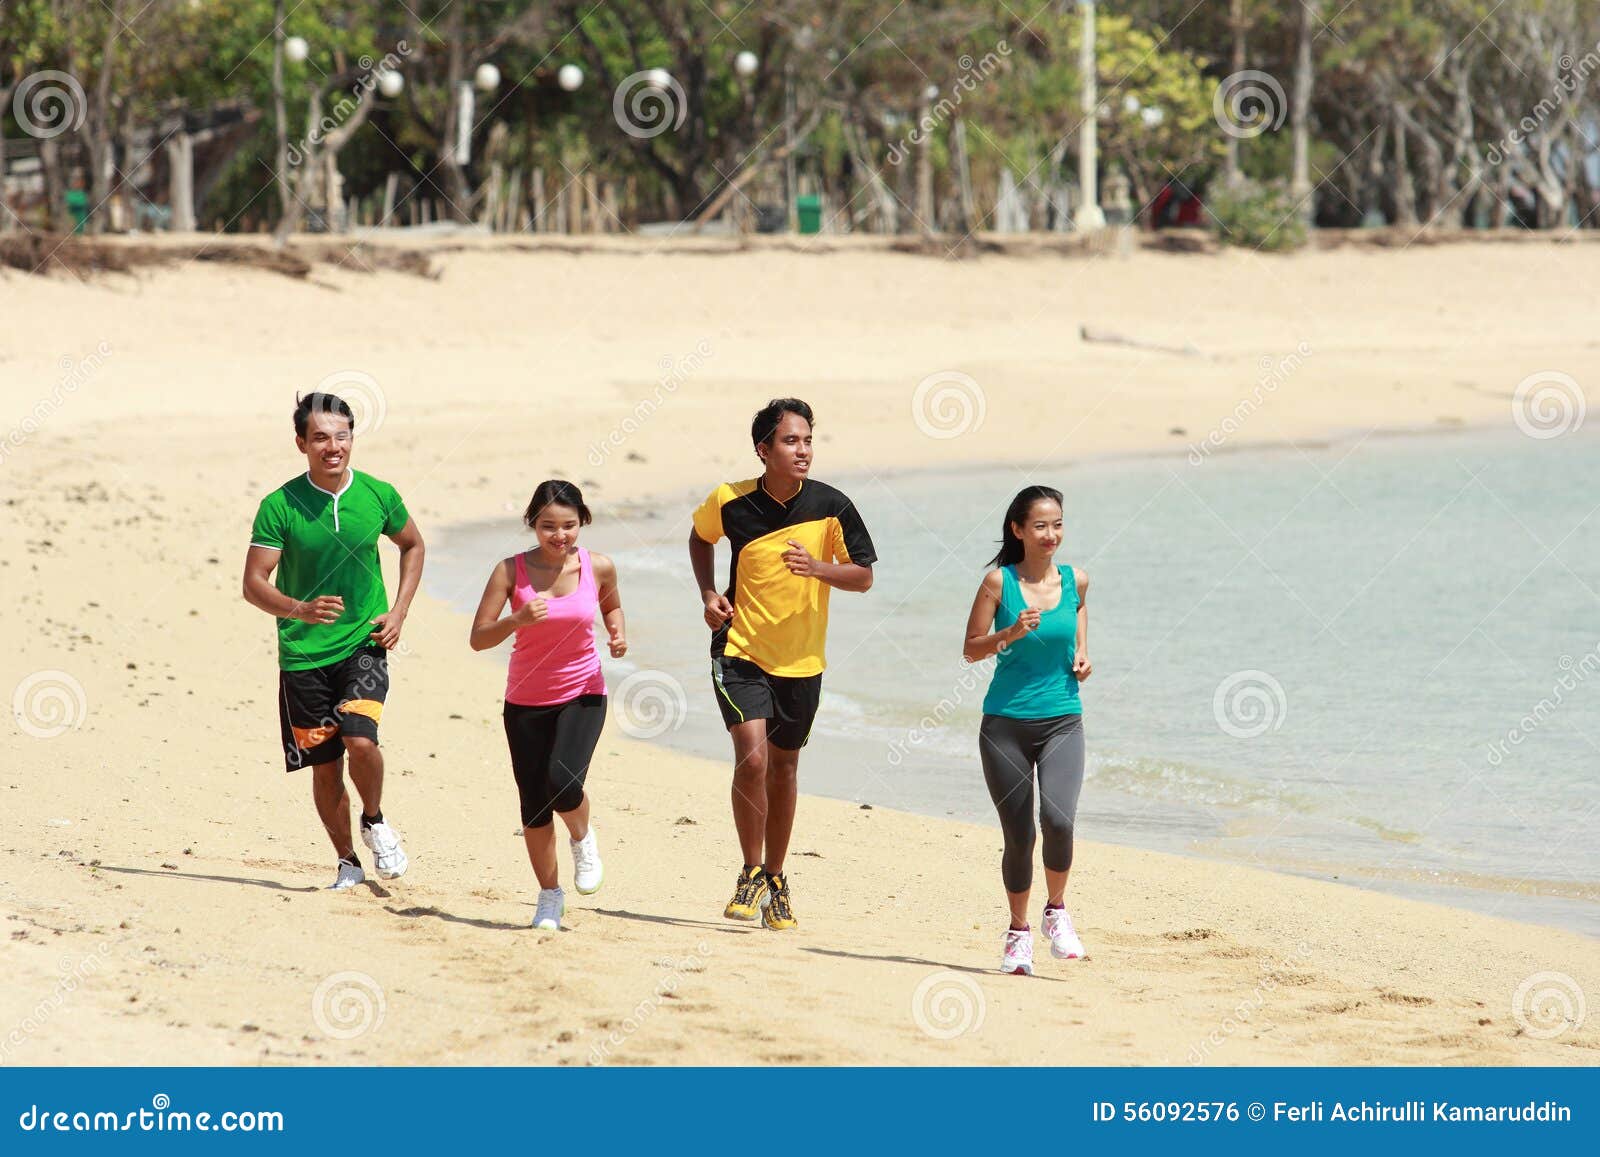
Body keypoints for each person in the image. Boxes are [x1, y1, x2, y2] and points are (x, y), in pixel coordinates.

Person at [688, 398, 877, 930]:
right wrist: (707, 593)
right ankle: (750, 871)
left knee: (785, 768)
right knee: (753, 761)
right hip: (739, 649)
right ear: (763, 450)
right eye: (791, 441)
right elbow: (700, 538)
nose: (803, 451)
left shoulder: (832, 506)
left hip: (802, 659)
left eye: (808, 440)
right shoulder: (729, 501)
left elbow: (863, 576)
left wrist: (819, 568)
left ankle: (776, 876)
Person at [243, 393, 423, 890]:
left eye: (341, 435)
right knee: (325, 766)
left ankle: (376, 819)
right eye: (320, 437)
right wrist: (300, 609)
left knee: (361, 740)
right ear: (301, 443)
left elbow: (412, 544)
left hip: (364, 641)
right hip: (302, 655)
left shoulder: (378, 494)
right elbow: (254, 582)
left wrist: (400, 610)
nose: (332, 446)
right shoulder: (280, 505)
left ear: (351, 439)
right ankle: (347, 860)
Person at [470, 480, 625, 931]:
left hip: (583, 692)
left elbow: (611, 606)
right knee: (534, 805)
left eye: (569, 526)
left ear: (583, 523)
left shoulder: (598, 567)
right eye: (548, 526)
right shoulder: (508, 571)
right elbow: (479, 638)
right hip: (525, 701)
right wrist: (516, 619)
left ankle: (581, 836)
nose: (560, 536)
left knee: (562, 781)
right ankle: (549, 897)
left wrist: (616, 634)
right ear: (532, 525)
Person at [962, 485, 1091, 974]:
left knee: (1058, 819)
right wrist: (1009, 633)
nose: (1051, 534)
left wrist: (1081, 655)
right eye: (1039, 525)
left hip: (1063, 720)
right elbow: (971, 649)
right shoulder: (999, 584)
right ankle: (1018, 934)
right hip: (1005, 726)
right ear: (1017, 530)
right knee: (1019, 835)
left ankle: (1056, 913)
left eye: (1057, 523)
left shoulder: (1076, 580)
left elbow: (1077, 618)